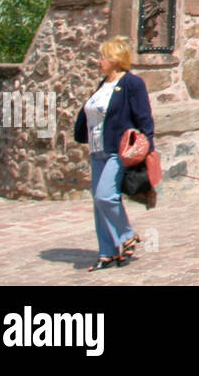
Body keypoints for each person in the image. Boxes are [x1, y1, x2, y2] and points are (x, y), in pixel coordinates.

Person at [73, 36, 155, 271]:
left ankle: (127, 234)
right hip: (98, 149)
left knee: (105, 196)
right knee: (99, 203)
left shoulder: (132, 83)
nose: (100, 61)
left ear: (117, 60)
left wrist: (147, 147)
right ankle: (107, 252)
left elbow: (144, 118)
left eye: (104, 56)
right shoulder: (104, 84)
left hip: (117, 151)